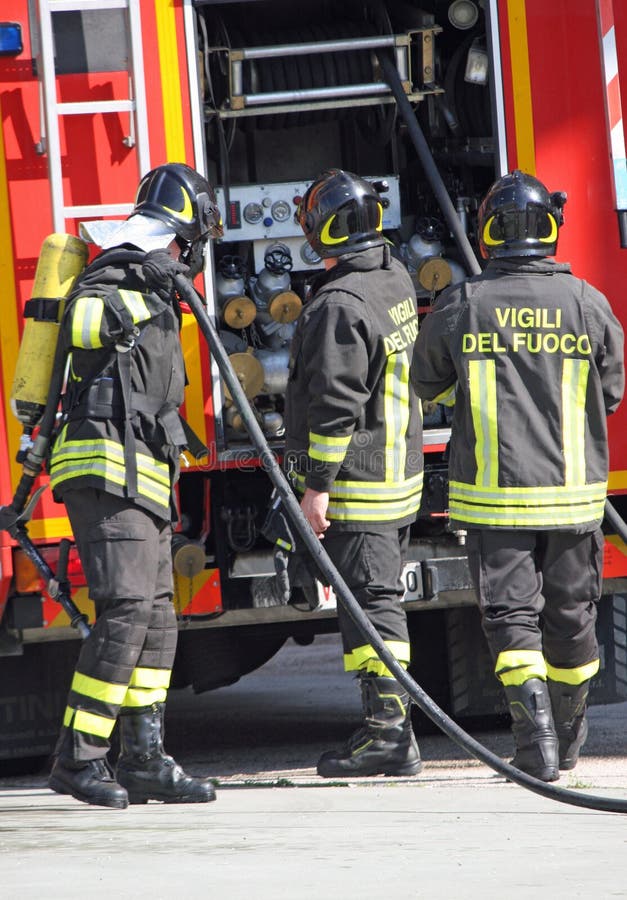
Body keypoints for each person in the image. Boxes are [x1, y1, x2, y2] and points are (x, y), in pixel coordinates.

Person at [411, 170, 624, 781]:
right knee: (572, 617)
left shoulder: (462, 303)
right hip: (574, 500)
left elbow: (426, 383)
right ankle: (571, 737)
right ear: (551, 231)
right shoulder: (588, 301)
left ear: (487, 235)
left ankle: (536, 750)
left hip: (494, 504)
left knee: (511, 618)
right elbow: (610, 392)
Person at [47, 162, 223, 808]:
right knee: (123, 609)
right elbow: (84, 325)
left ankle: (145, 757)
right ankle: (79, 758)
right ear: (187, 235)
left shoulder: (157, 288)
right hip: (100, 469)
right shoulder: (114, 274)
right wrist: (139, 280)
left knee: (156, 616)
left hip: (144, 475)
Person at [284, 169, 424, 778]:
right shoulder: (393, 278)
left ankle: (390, 735)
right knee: (376, 599)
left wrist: (316, 488)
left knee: (372, 604)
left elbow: (336, 407)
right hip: (398, 471)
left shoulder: (339, 305)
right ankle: (387, 729)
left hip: (361, 483)